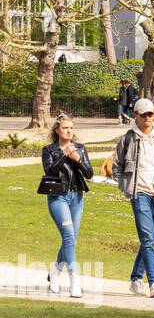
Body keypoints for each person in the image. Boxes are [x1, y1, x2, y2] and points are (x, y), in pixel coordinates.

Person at [111, 98, 154, 298]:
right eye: (143, 115)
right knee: (148, 240)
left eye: (150, 114)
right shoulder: (128, 139)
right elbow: (117, 167)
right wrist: (125, 185)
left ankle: (135, 278)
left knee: (150, 239)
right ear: (136, 116)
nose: (148, 118)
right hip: (139, 193)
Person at [42, 114, 92, 297]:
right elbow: (49, 171)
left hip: (76, 197)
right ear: (57, 130)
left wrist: (77, 158)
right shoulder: (49, 150)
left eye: (71, 127)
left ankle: (55, 271)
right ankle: (74, 280)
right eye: (65, 128)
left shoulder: (80, 148)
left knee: (71, 239)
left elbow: (89, 173)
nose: (69, 130)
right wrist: (64, 156)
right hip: (57, 197)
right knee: (69, 236)